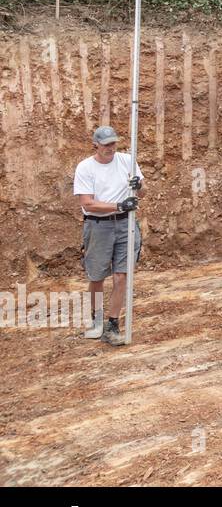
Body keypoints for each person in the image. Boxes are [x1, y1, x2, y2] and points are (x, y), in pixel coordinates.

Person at [72, 125, 143, 347]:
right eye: (106, 145)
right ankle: (96, 318)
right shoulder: (85, 168)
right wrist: (119, 205)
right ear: (96, 145)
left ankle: (112, 325)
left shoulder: (127, 161)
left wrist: (139, 186)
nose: (110, 148)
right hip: (98, 226)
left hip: (125, 225)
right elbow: (87, 203)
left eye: (113, 143)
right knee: (97, 277)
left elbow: (142, 192)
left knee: (121, 276)